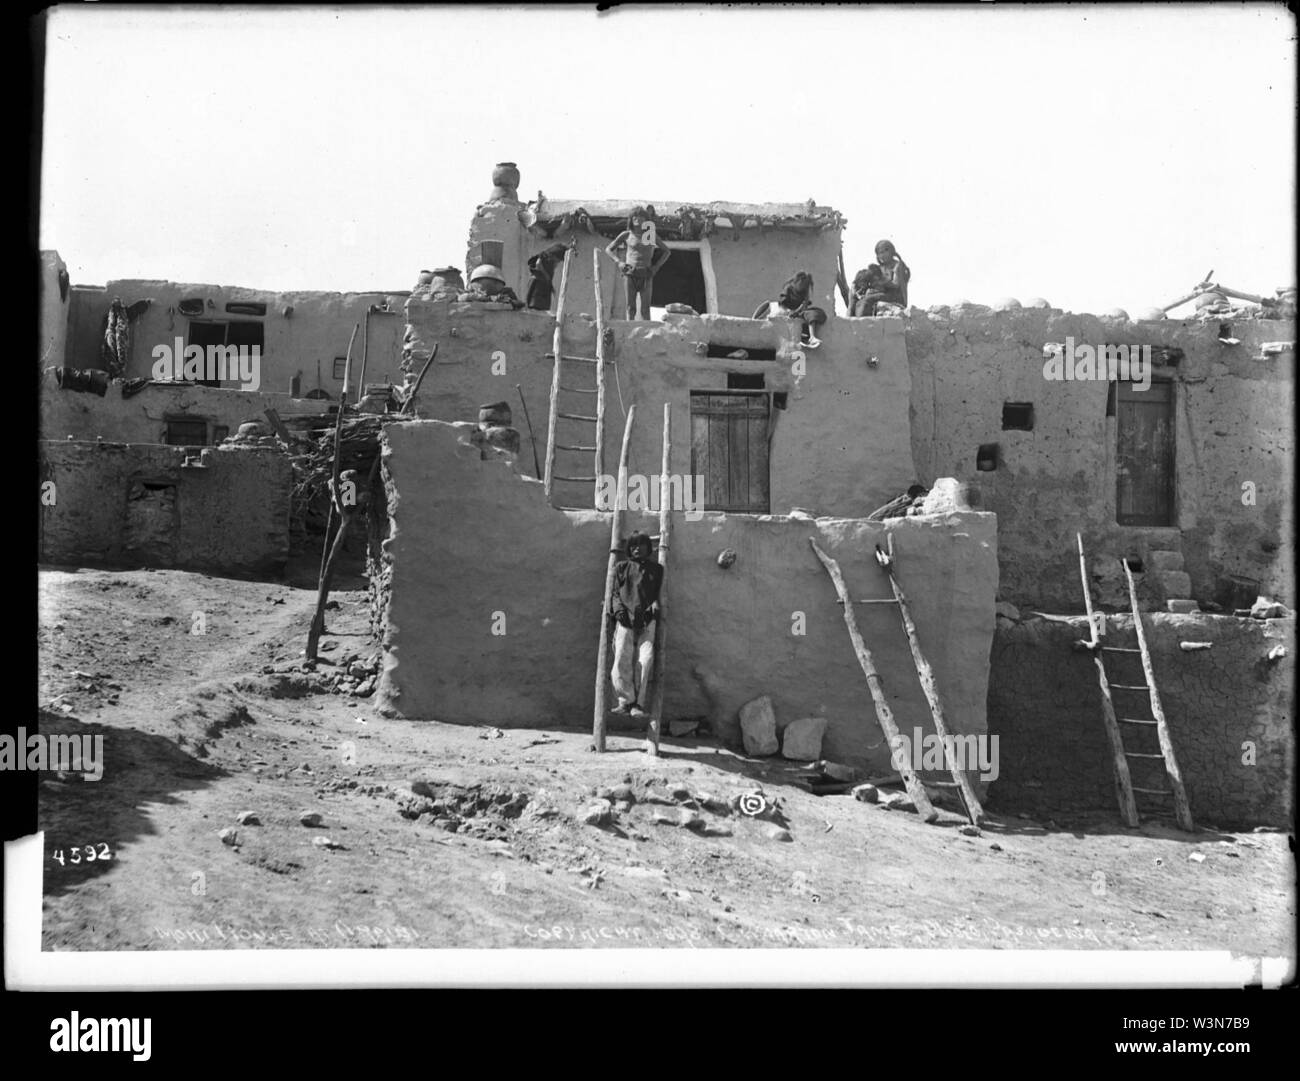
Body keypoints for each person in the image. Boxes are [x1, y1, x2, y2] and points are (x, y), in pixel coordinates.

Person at [608, 531, 662, 718]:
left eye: (641, 545)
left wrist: (655, 605)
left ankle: (638, 704)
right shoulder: (621, 567)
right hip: (625, 619)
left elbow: (658, 594)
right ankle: (625, 700)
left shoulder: (657, 570)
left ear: (649, 547)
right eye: (633, 546)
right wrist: (619, 611)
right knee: (622, 658)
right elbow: (614, 593)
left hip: (647, 620)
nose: (637, 549)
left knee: (645, 661)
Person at [604, 207, 672, 319]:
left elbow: (667, 251)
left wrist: (656, 267)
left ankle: (647, 334)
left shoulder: (650, 236)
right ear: (630, 219)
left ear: (646, 220)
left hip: (646, 273)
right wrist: (619, 262)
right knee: (630, 307)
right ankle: (629, 333)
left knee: (645, 309)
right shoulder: (626, 235)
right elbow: (608, 249)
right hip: (630, 273)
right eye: (634, 217)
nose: (637, 219)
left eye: (641, 217)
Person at [753, 270, 827, 348]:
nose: (802, 287)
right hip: (784, 310)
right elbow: (783, 303)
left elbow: (803, 307)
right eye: (801, 284)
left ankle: (812, 337)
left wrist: (798, 310)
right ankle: (753, 319)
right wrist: (789, 311)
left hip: (797, 313)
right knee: (767, 304)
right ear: (798, 281)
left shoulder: (804, 292)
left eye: (805, 286)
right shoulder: (789, 289)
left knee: (814, 313)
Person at [525, 242, 571, 311]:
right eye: (558, 260)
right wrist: (546, 275)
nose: (557, 262)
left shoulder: (551, 262)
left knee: (544, 307)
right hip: (538, 283)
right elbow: (538, 264)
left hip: (544, 285)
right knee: (535, 305)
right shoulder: (543, 256)